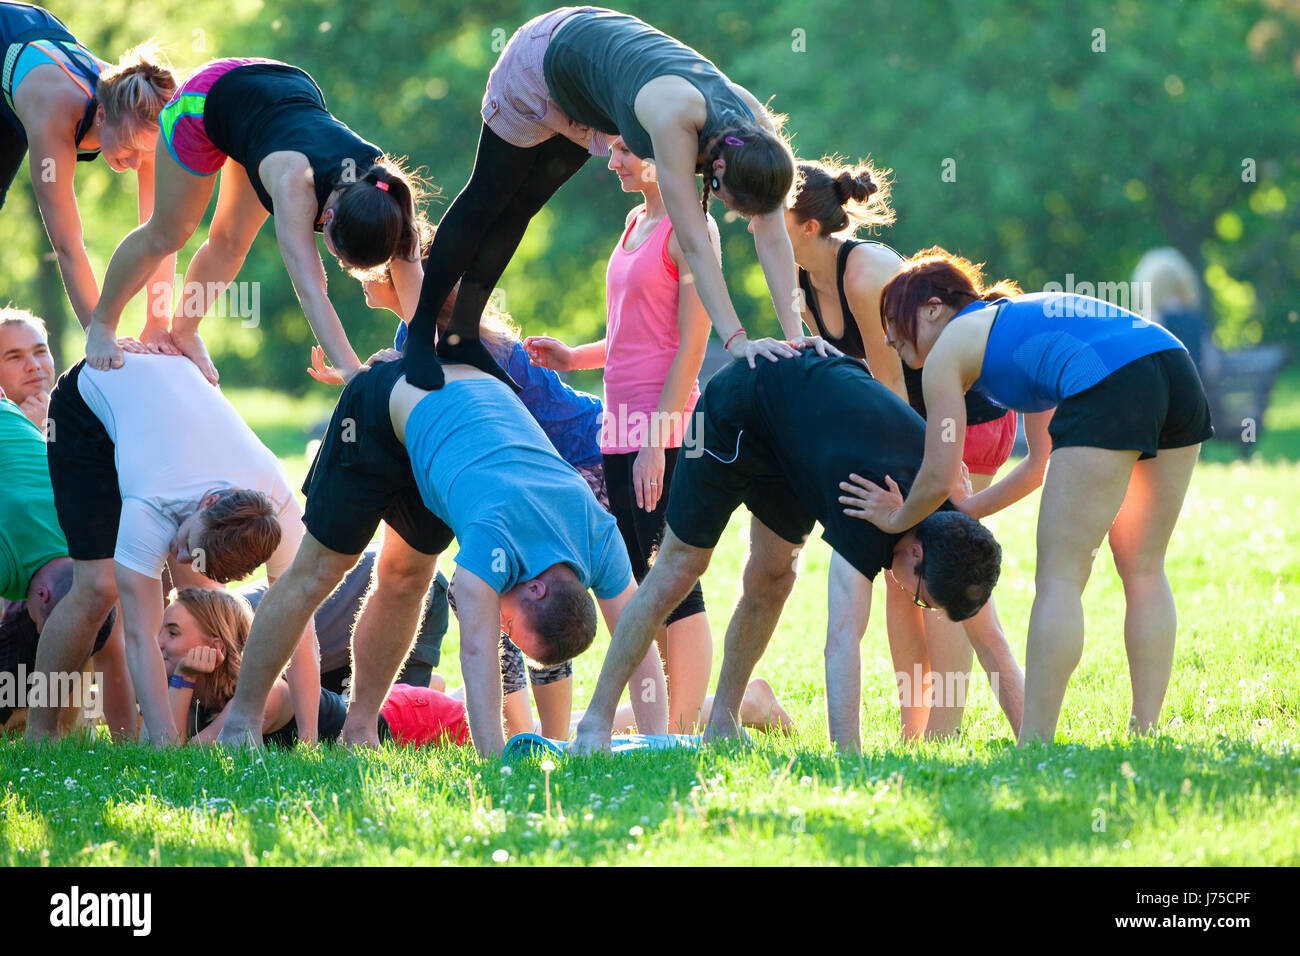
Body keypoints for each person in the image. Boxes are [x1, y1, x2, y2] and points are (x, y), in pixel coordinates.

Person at [841, 247, 1213, 744]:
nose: (887, 337)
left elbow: (938, 473)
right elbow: (1038, 464)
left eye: (892, 321)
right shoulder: (1013, 323)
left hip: (1116, 378)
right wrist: (969, 510)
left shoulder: (948, 350)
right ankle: (1145, 734)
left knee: (1059, 574)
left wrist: (895, 518)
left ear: (932, 308)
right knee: (1144, 567)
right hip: (1173, 366)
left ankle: (1035, 745)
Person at [217, 357, 668, 757]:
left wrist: (656, 743)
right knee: (318, 571)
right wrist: (494, 758)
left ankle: (359, 731)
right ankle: (239, 725)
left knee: (407, 576)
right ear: (537, 586)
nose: (502, 630)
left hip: (453, 436)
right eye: (512, 626)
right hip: (388, 404)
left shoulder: (598, 538)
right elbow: (476, 651)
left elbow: (636, 637)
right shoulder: (495, 538)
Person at [570, 351, 1005, 755]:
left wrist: (1033, 740)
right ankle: (594, 722)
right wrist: (848, 762)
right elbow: (841, 641)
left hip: (798, 443)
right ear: (915, 551)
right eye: (918, 595)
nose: (908, 594)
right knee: (678, 567)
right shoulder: (867, 506)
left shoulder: (949, 519)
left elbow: (991, 638)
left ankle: (722, 720)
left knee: (774, 578)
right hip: (739, 406)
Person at [404, 6, 832, 390]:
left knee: (521, 209)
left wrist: (794, 334)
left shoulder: (758, 138)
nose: (736, 215)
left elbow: (774, 234)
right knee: (488, 199)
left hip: (595, 93)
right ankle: (423, 333)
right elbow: (696, 245)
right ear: (716, 170)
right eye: (734, 206)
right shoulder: (674, 122)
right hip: (547, 58)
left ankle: (463, 336)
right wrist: (737, 342)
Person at [785, 163, 1026, 739]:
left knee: (945, 582)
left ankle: (945, 735)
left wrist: (913, 482)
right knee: (902, 587)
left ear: (809, 225)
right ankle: (913, 738)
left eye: (771, 214)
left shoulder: (864, 273)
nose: (753, 226)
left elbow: (891, 388)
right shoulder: (793, 276)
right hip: (908, 428)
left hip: (960, 423)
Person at [308, 275, 604, 738]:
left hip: (579, 458)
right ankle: (529, 738)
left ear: (398, 276)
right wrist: (361, 372)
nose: (357, 277)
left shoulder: (462, 338)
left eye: (369, 269)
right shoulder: (412, 337)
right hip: (531, 476)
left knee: (541, 605)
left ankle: (551, 736)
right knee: (504, 605)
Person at [27, 352, 320, 745]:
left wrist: (310, 738)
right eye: (187, 546)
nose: (178, 558)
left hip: (164, 410)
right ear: (209, 503)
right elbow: (141, 634)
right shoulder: (151, 504)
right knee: (99, 586)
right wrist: (163, 744)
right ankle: (40, 732)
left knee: (202, 598)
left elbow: (299, 626)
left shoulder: (280, 509)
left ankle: (186, 723)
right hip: (87, 407)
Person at [83, 56, 431, 386]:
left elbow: (410, 270)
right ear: (327, 217)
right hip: (206, 99)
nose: (337, 263)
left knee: (232, 244)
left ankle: (184, 331)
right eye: (339, 256)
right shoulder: (296, 186)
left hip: (274, 97)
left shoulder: (388, 190)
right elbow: (312, 291)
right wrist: (354, 375)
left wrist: (423, 353)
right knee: (168, 233)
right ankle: (102, 322)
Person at [524, 134, 714, 732]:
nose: (611, 161)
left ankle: (681, 729)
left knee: (672, 577)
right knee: (638, 577)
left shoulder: (692, 231)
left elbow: (691, 346)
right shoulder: (636, 220)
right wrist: (573, 357)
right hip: (620, 429)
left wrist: (658, 442)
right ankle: (670, 721)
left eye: (624, 151)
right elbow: (632, 333)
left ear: (664, 155)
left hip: (668, 431)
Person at [1, 3, 176, 326]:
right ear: (100, 116)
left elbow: (162, 232)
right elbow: (68, 245)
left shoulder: (141, 115)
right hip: (12, 44)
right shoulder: (54, 118)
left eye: (145, 153)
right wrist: (100, 331)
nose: (137, 163)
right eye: (128, 149)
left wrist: (157, 326)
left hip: (35, 40)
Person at [160, 587, 468, 747]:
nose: (158, 641)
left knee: (487, 719)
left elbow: (181, 756)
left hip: (405, 721)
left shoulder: (261, 695)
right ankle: (442, 690)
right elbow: (156, 747)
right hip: (380, 705)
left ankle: (445, 695)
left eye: (172, 632)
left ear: (215, 647)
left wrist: (183, 680)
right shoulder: (204, 697)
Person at [0, 393, 119, 733]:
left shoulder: (89, 540)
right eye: (42, 628)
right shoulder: (8, 563)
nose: (38, 632)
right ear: (44, 598)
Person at [0, 308, 55, 428]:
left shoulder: (84, 414)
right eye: (15, 357)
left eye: (40, 351)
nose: (34, 365)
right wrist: (39, 431)